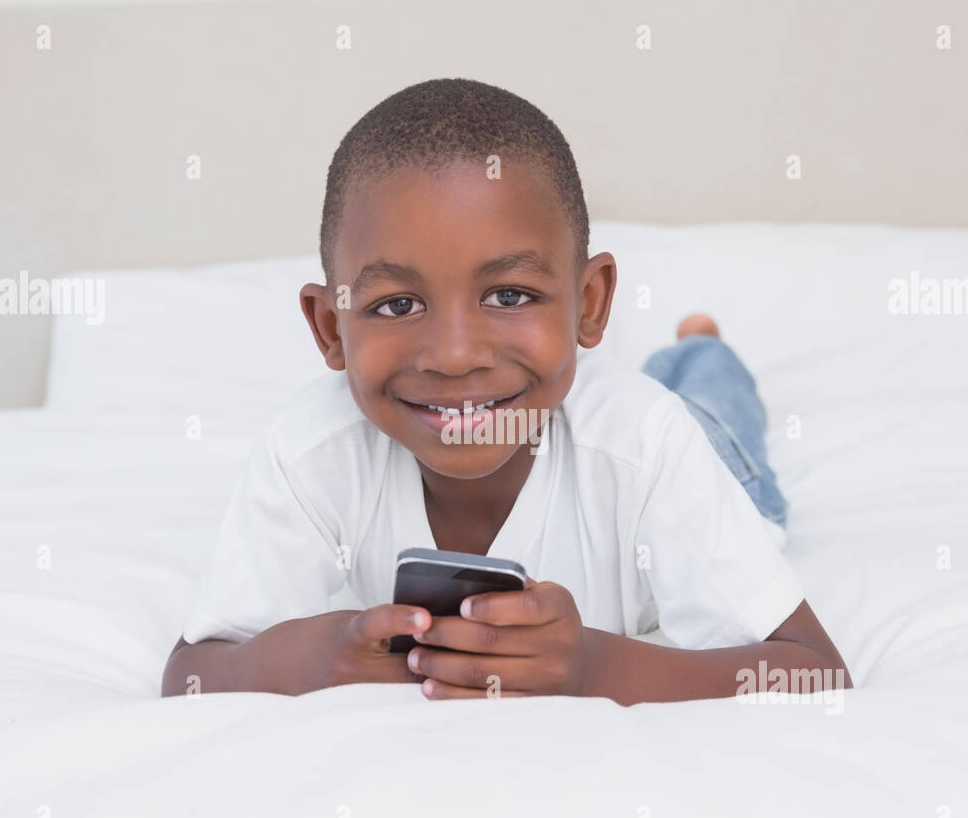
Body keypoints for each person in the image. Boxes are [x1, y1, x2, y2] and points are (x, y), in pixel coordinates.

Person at [161, 78, 850, 704]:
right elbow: (191, 672)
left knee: (715, 416)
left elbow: (814, 670)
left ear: (589, 303)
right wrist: (315, 658)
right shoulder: (311, 452)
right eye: (398, 305)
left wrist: (594, 668)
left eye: (510, 295)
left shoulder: (649, 446)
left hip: (693, 450)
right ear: (329, 327)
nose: (455, 356)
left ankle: (702, 345)